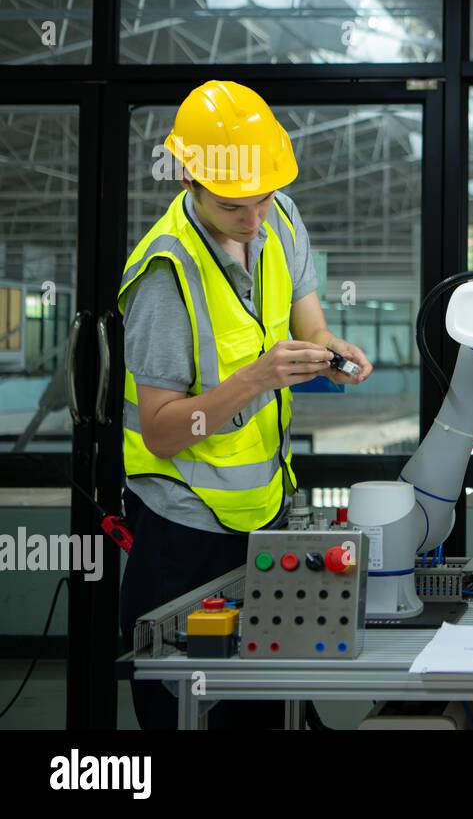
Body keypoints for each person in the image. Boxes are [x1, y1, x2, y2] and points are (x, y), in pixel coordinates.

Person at [117, 80, 373, 728]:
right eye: (236, 205)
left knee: (274, 705)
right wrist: (257, 380)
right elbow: (163, 433)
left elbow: (309, 323)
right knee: (193, 708)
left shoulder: (279, 218)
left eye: (261, 198)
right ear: (191, 181)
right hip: (182, 528)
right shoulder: (165, 276)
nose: (254, 217)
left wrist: (329, 352)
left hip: (263, 516)